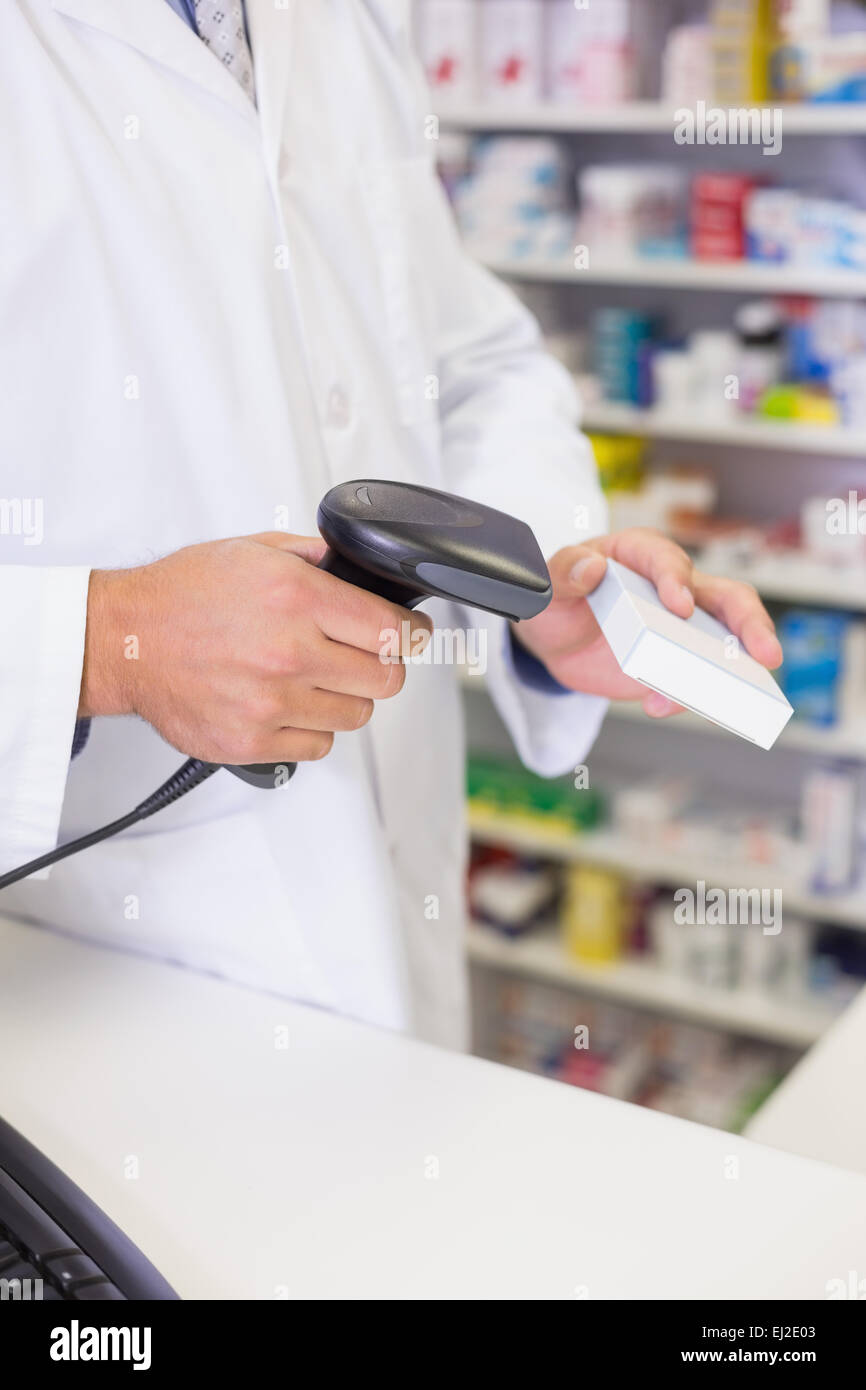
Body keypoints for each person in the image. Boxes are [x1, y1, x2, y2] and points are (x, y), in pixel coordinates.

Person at [0, 1, 782, 1047]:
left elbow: (465, 363)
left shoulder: (340, 19)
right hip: (98, 993)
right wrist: (110, 641)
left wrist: (539, 573)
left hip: (396, 947)